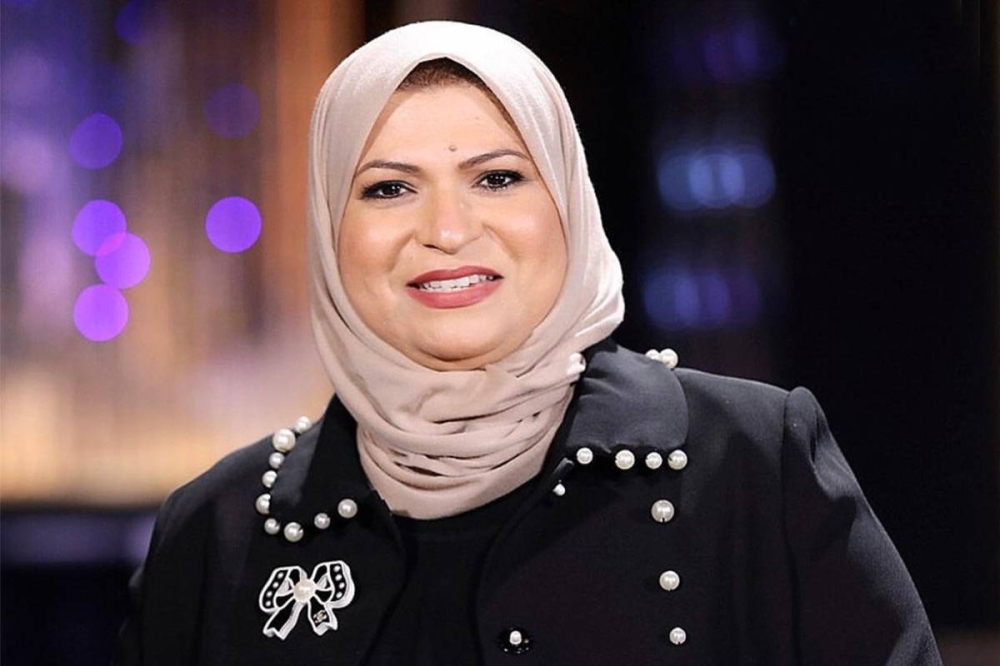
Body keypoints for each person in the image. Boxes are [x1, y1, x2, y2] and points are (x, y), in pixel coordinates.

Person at [117, 21, 943, 665]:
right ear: (330, 229)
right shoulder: (218, 531)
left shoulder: (755, 463)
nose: (447, 230)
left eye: (498, 177)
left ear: (569, 204)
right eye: (389, 188)